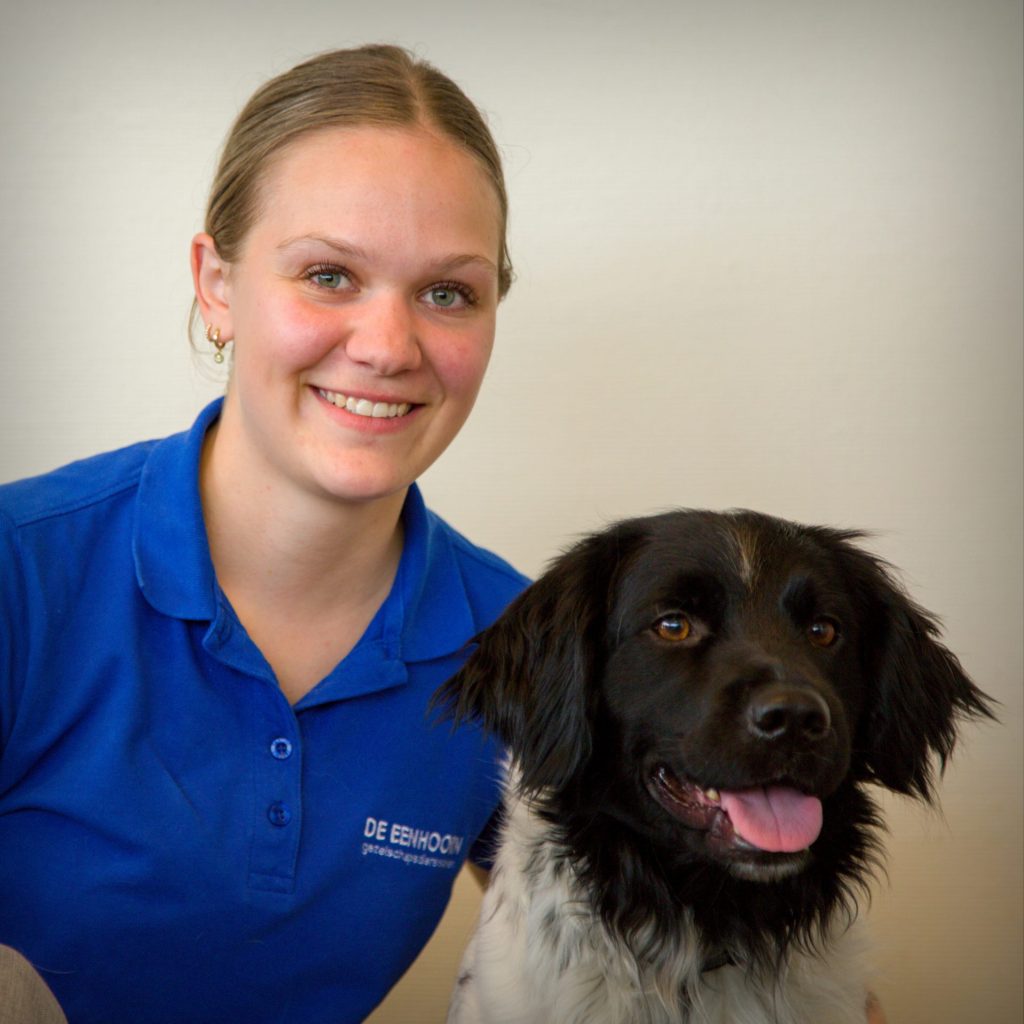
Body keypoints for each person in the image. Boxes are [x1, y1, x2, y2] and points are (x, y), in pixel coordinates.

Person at [0, 45, 527, 1023]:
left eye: (447, 291)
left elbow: (649, 939)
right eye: (330, 274)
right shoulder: (22, 574)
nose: (386, 346)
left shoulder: (528, 645)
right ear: (217, 284)